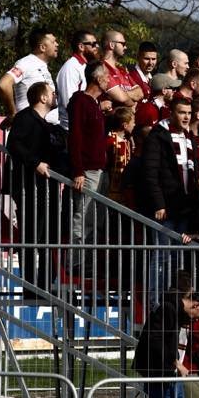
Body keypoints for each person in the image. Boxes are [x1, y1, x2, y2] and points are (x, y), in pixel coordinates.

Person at [3, 82, 65, 296]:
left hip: (44, 188)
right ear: (43, 98)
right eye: (51, 92)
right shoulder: (25, 118)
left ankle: (44, 284)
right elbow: (14, 144)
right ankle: (31, 286)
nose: (55, 95)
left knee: (49, 237)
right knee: (31, 236)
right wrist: (35, 163)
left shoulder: (45, 123)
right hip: (28, 187)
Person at [140, 98, 199, 308]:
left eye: (189, 113)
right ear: (171, 113)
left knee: (177, 259)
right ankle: (156, 303)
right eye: (182, 112)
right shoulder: (158, 136)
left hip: (183, 207)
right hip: (165, 209)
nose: (186, 117)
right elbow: (150, 172)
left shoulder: (190, 137)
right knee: (161, 257)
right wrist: (158, 204)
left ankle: (174, 302)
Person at [68, 61, 110, 254]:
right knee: (83, 215)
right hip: (87, 170)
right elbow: (75, 136)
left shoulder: (95, 104)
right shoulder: (80, 101)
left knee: (96, 217)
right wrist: (78, 170)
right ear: (98, 78)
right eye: (107, 77)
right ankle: (75, 259)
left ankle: (87, 259)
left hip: (100, 169)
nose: (109, 81)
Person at [0, 29, 59, 126]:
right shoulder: (26, 63)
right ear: (42, 47)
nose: (57, 44)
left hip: (42, 127)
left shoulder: (43, 66)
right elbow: (4, 84)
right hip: (30, 127)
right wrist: (12, 114)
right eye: (53, 42)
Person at [56, 29, 101, 130]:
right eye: (93, 44)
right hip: (72, 129)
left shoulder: (84, 66)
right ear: (81, 47)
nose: (96, 47)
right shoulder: (71, 67)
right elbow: (69, 102)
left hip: (84, 126)